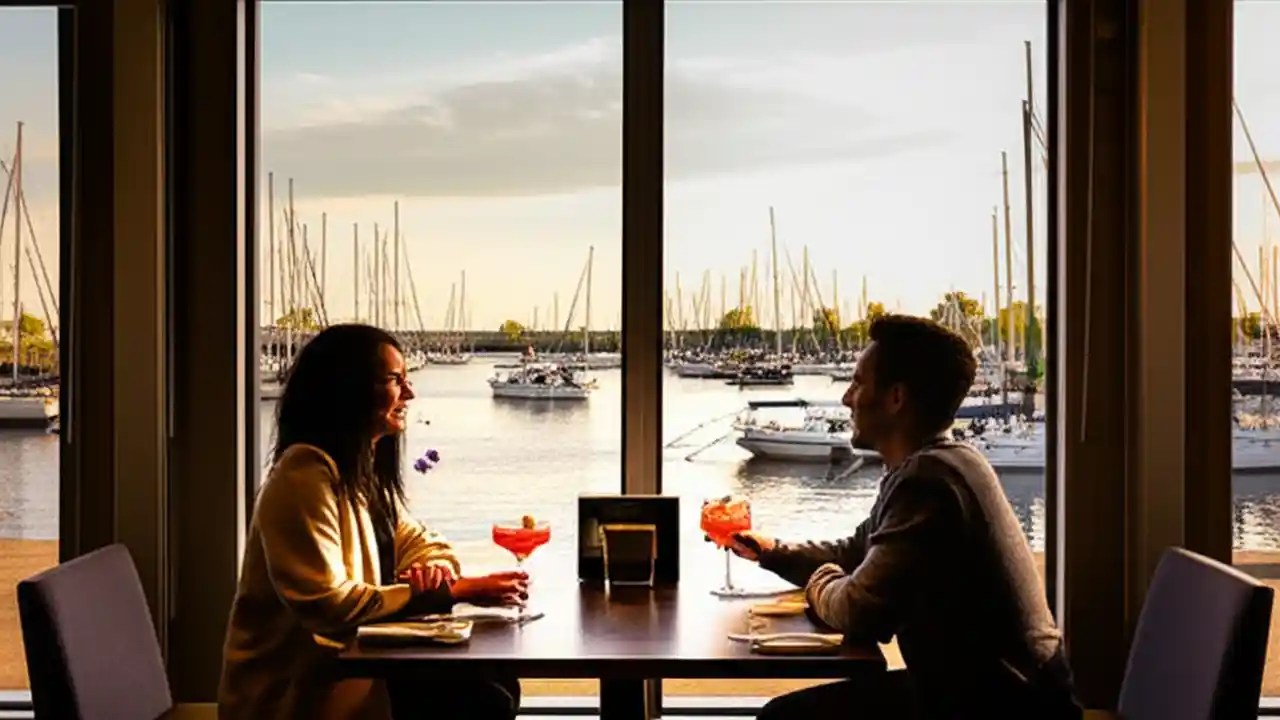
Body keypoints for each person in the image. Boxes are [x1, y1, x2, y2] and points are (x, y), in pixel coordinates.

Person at [729, 315, 1081, 720]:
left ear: (896, 398)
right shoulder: (940, 464)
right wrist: (772, 552)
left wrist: (818, 582)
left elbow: (859, 610)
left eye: (858, 382)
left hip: (1005, 709)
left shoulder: (928, 482)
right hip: (984, 692)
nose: (847, 398)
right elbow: (857, 552)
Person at [219, 324, 528, 720]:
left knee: (493, 681)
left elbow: (419, 540)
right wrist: (452, 591)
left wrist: (435, 570)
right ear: (348, 389)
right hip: (298, 698)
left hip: (351, 676)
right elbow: (329, 605)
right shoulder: (303, 477)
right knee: (482, 697)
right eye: (396, 380)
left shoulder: (359, 475)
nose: (410, 394)